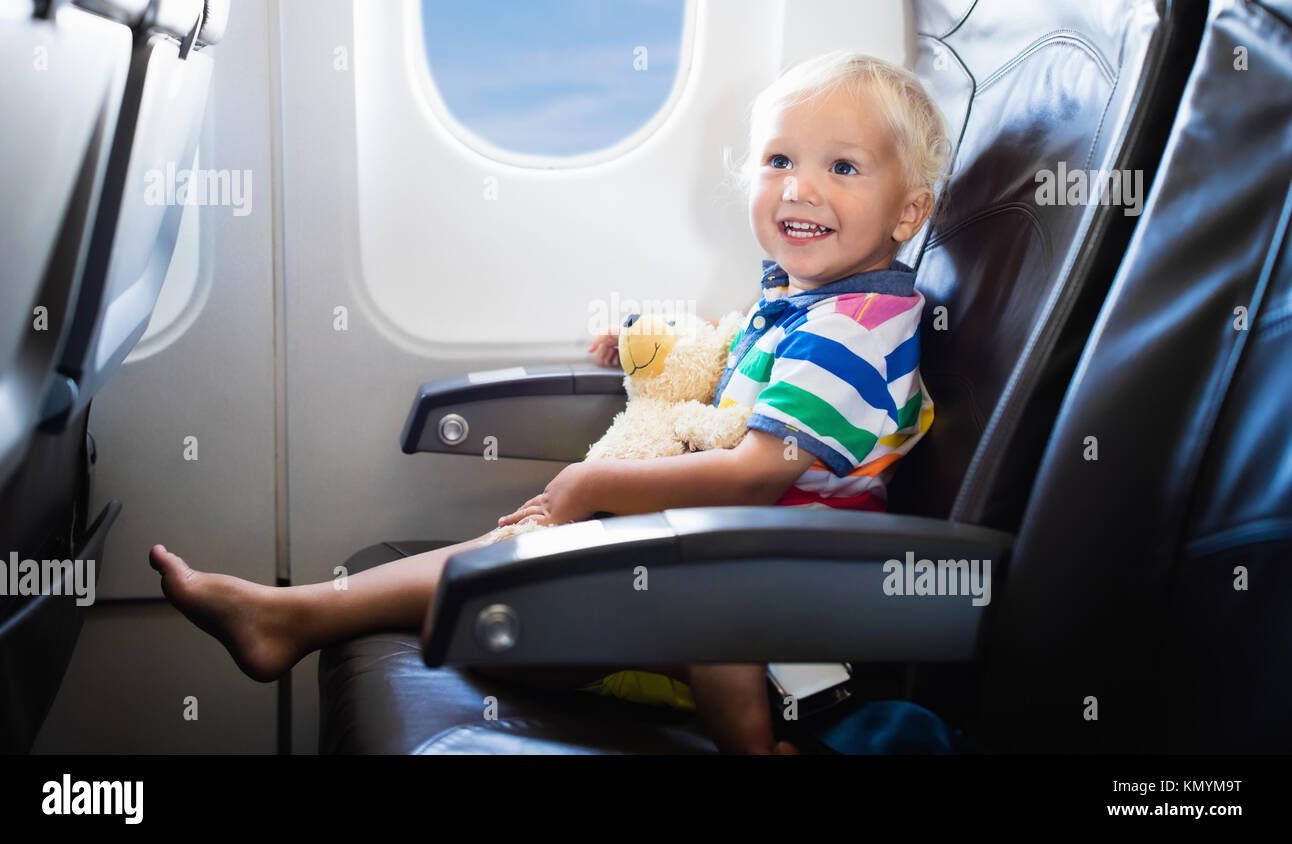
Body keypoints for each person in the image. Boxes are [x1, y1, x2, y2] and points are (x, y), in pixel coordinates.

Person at [149, 51, 949, 754]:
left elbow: (752, 474)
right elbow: (742, 351)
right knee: (517, 576)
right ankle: (295, 617)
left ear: (908, 212)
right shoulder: (807, 302)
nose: (798, 187)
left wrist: (591, 487)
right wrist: (657, 341)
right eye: (778, 160)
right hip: (736, 557)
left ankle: (751, 741)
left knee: (568, 591)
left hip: (790, 600)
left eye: (842, 168)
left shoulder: (850, 333)